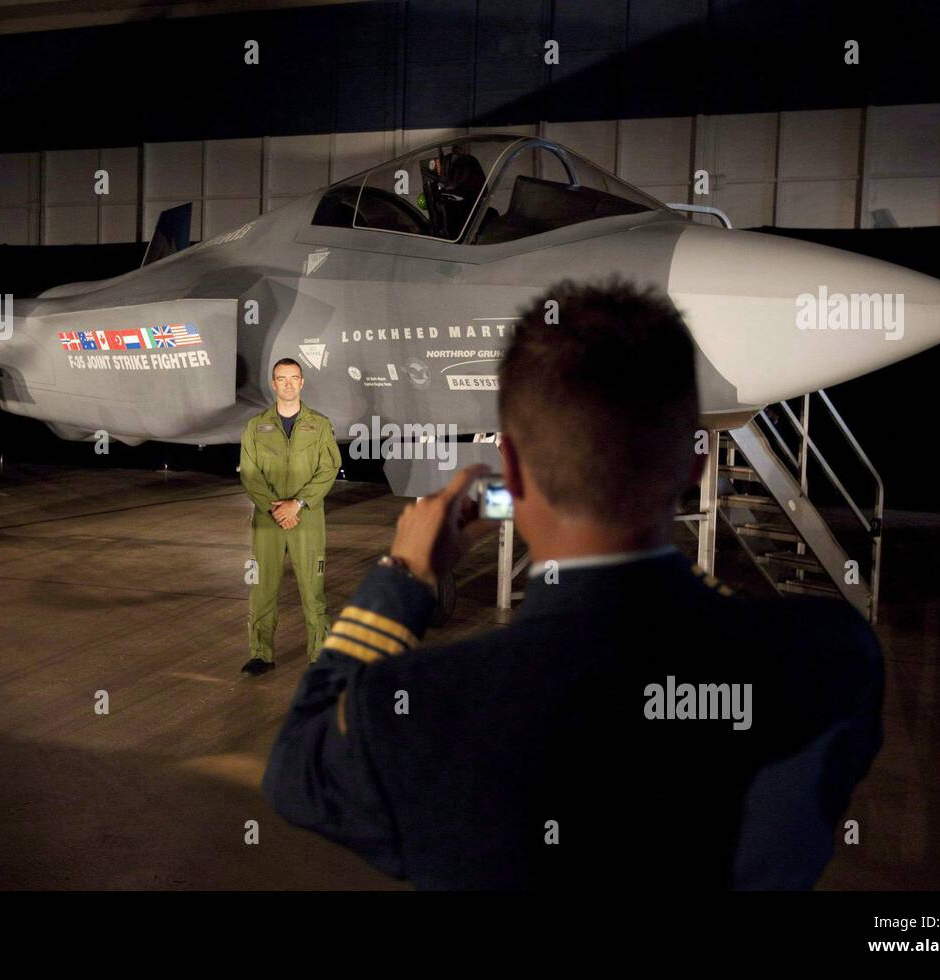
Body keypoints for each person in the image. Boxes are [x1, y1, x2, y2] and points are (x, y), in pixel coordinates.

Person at [262, 278, 884, 889]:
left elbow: (296, 769)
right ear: (695, 464)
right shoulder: (828, 657)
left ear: (509, 466)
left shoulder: (417, 709)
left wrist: (402, 579)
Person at [238, 358, 342, 676]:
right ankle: (261, 654)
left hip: (307, 517)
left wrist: (297, 504)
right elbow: (250, 473)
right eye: (280, 378)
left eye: (293, 378)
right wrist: (275, 508)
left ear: (302, 382)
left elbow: (329, 468)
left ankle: (319, 655)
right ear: (273, 384)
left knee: (313, 588)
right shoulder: (256, 427)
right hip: (268, 519)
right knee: (262, 588)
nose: (287, 384)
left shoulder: (319, 425)